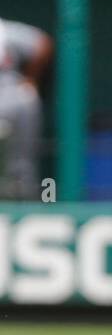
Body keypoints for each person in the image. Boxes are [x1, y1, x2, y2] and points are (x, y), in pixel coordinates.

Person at [0, 17, 53, 199]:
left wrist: (30, 78)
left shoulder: (5, 30)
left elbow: (43, 43)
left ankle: (25, 205)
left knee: (20, 166)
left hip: (12, 98)